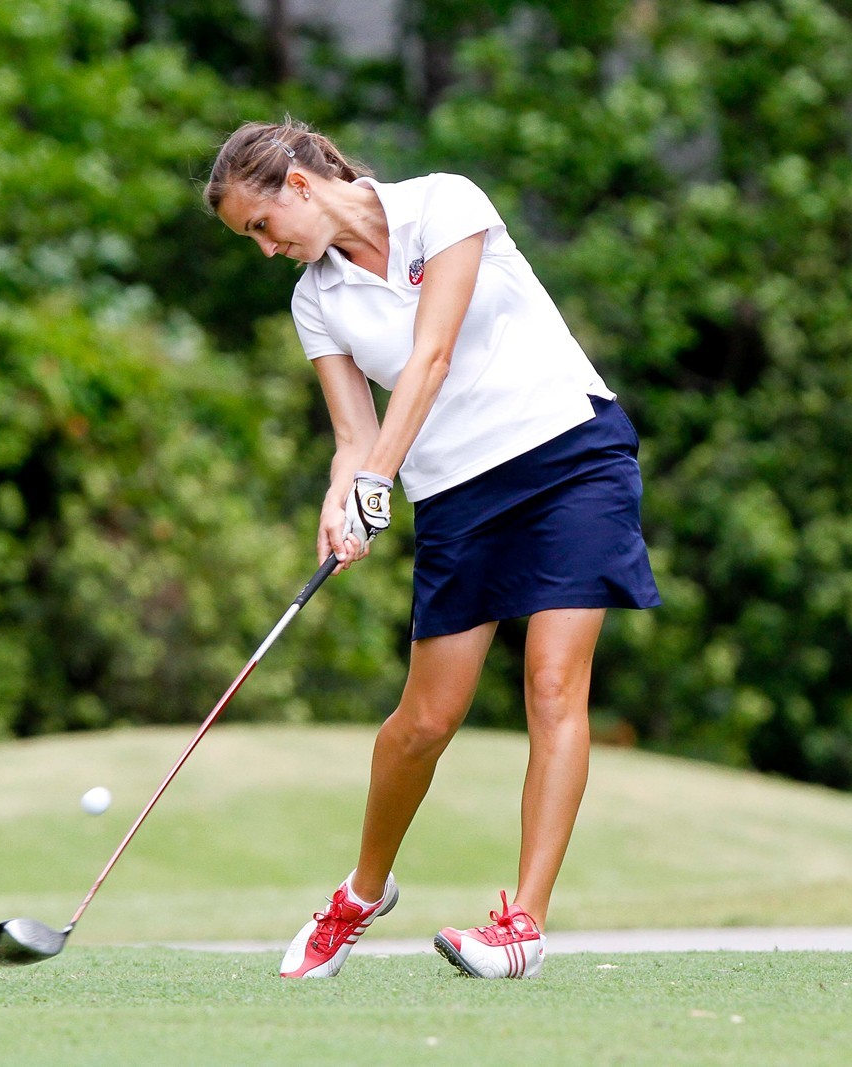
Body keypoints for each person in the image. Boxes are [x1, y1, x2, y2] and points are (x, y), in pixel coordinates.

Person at [204, 118, 661, 980]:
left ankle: (522, 924)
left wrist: (378, 475)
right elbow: (353, 433)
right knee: (422, 724)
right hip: (456, 495)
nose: (265, 249)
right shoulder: (316, 299)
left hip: (570, 456)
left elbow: (433, 354)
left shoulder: (445, 203)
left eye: (261, 226)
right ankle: (362, 892)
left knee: (554, 685)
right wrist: (345, 499)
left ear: (298, 184)